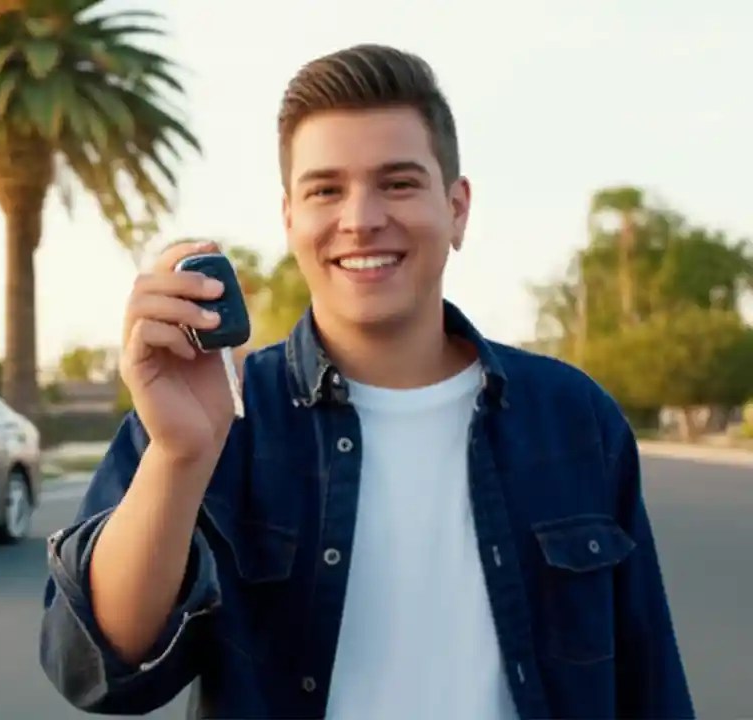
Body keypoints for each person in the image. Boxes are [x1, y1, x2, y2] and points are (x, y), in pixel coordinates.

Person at [38, 43, 693, 719]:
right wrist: (179, 456)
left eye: (399, 183)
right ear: (290, 217)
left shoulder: (575, 416)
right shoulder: (215, 415)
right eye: (326, 190)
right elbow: (97, 666)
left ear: (457, 208)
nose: (360, 217)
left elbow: (651, 685)